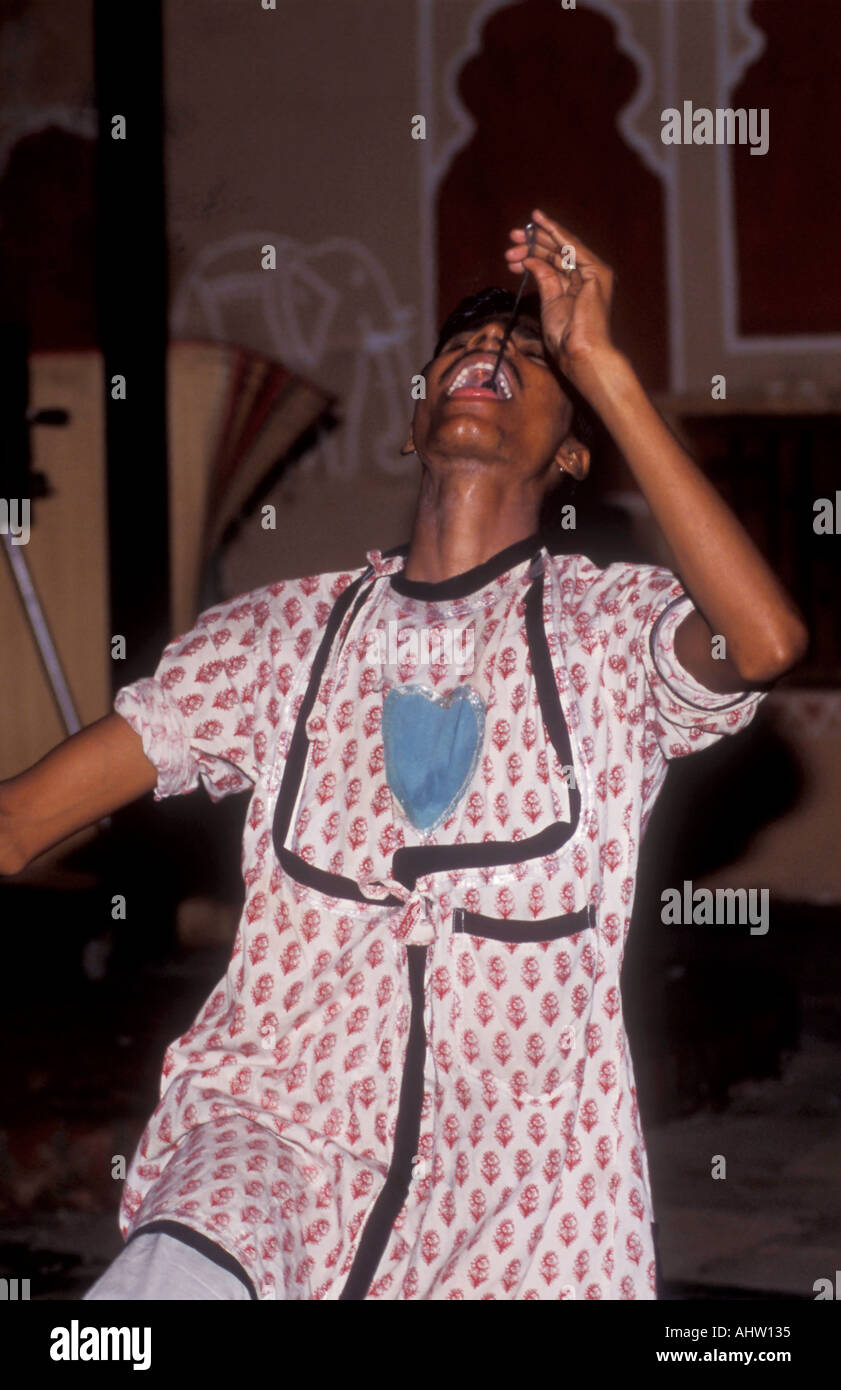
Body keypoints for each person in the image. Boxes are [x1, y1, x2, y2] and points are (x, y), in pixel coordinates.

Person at [0, 209, 808, 1300]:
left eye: (532, 356)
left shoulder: (610, 637)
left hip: (517, 1200)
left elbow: (764, 640)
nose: (490, 352)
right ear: (414, 414)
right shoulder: (273, 639)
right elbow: (21, 822)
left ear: (576, 449)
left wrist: (605, 366)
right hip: (266, 1142)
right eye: (465, 348)